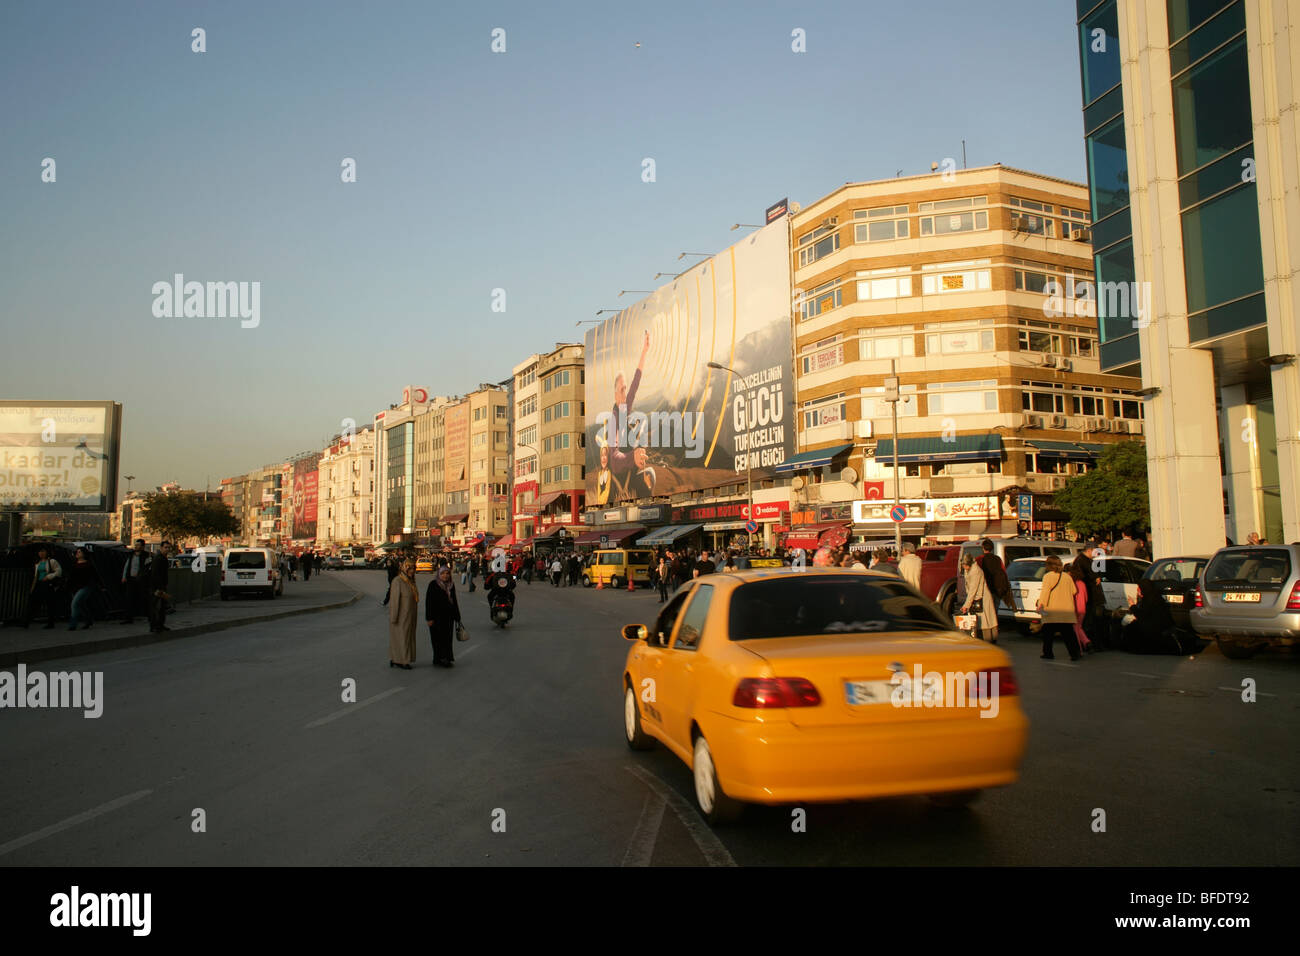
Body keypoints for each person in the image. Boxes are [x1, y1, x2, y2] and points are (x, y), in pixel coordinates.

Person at [1035, 554, 1081, 661]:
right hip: (1066, 611)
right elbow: (1074, 591)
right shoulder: (1067, 576)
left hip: (1052, 611)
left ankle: (1048, 653)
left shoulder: (1048, 576)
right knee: (1069, 634)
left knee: (1048, 634)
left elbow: (1045, 593)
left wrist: (1041, 606)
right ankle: (1075, 654)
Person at [425, 564, 462, 668]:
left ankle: (446, 658)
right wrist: (429, 618)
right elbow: (429, 602)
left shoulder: (451, 585)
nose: (445, 576)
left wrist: (457, 616)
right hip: (436, 618)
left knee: (447, 638)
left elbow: (454, 601)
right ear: (439, 574)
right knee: (437, 639)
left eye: (447, 573)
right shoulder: (433, 584)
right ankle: (438, 658)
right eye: (442, 573)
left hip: (448, 617)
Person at [387, 557, 418, 669]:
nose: (412, 571)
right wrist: (394, 617)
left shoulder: (410, 581)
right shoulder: (398, 581)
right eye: (410, 569)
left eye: (413, 569)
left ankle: (401, 659)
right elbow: (395, 601)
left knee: (407, 638)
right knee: (401, 638)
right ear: (404, 568)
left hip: (410, 616)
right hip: (400, 617)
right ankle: (401, 660)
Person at [959, 553, 997, 642]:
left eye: (965, 565)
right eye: (963, 565)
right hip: (976, 598)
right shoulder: (968, 570)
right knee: (983, 621)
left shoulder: (976, 571)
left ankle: (988, 639)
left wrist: (966, 605)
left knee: (986, 621)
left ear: (970, 564)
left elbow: (973, 589)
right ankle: (986, 639)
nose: (964, 567)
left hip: (982, 597)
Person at [23, 546, 63, 629]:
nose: (41, 553)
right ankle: (26, 621)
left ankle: (50, 623)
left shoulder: (51, 561)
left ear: (47, 552)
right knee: (34, 602)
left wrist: (49, 577)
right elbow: (36, 575)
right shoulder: (38, 563)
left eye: (43, 551)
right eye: (40, 551)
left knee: (49, 604)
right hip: (39, 584)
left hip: (48, 584)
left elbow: (59, 571)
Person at [67, 547, 102, 631]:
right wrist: (68, 586)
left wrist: (101, 586)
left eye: (79, 552)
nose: (77, 553)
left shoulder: (88, 564)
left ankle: (73, 624)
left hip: (86, 587)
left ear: (84, 554)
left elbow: (95, 576)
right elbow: (71, 577)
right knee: (81, 604)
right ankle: (88, 620)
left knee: (74, 604)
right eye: (77, 552)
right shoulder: (75, 564)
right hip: (76, 587)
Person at [977, 539, 1015, 613]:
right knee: (995, 612)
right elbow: (1004, 573)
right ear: (992, 548)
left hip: (985, 590)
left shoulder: (979, 559)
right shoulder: (998, 559)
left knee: (986, 613)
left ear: (983, 548)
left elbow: (976, 575)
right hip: (997, 590)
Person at [120, 538, 150, 625]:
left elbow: (147, 568)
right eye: (136, 545)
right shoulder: (131, 555)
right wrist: (124, 576)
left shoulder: (146, 556)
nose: (136, 547)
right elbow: (127, 566)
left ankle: (148, 615)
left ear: (142, 547)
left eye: (138, 545)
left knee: (143, 598)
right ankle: (128, 617)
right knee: (129, 598)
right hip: (131, 579)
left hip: (141, 581)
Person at [1068, 562, 1094, 653]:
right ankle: (1087, 642)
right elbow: (1086, 597)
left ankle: (1079, 647)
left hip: (1074, 608)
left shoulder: (1071, 583)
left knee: (1075, 629)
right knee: (1079, 627)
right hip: (1083, 608)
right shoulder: (1082, 583)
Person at [148, 542, 172, 633]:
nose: (167, 549)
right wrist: (159, 588)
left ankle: (160, 625)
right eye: (166, 547)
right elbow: (156, 574)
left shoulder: (163, 558)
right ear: (161, 548)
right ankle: (154, 625)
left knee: (161, 607)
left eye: (169, 548)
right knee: (156, 607)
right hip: (157, 587)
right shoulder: (158, 559)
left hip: (161, 586)